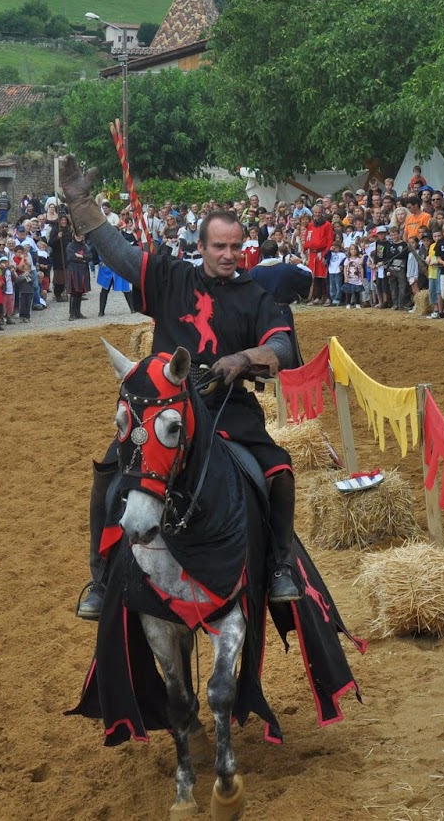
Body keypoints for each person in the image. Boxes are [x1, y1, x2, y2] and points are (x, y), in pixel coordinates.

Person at [58, 153, 303, 620]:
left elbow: (283, 348)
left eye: (235, 246)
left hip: (227, 411)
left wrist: (243, 358)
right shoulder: (171, 276)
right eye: (218, 247)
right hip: (166, 409)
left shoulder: (257, 297)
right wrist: (81, 206)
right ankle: (101, 576)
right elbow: (121, 254)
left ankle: (278, 569)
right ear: (203, 245)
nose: (228, 255)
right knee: (110, 474)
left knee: (279, 472)